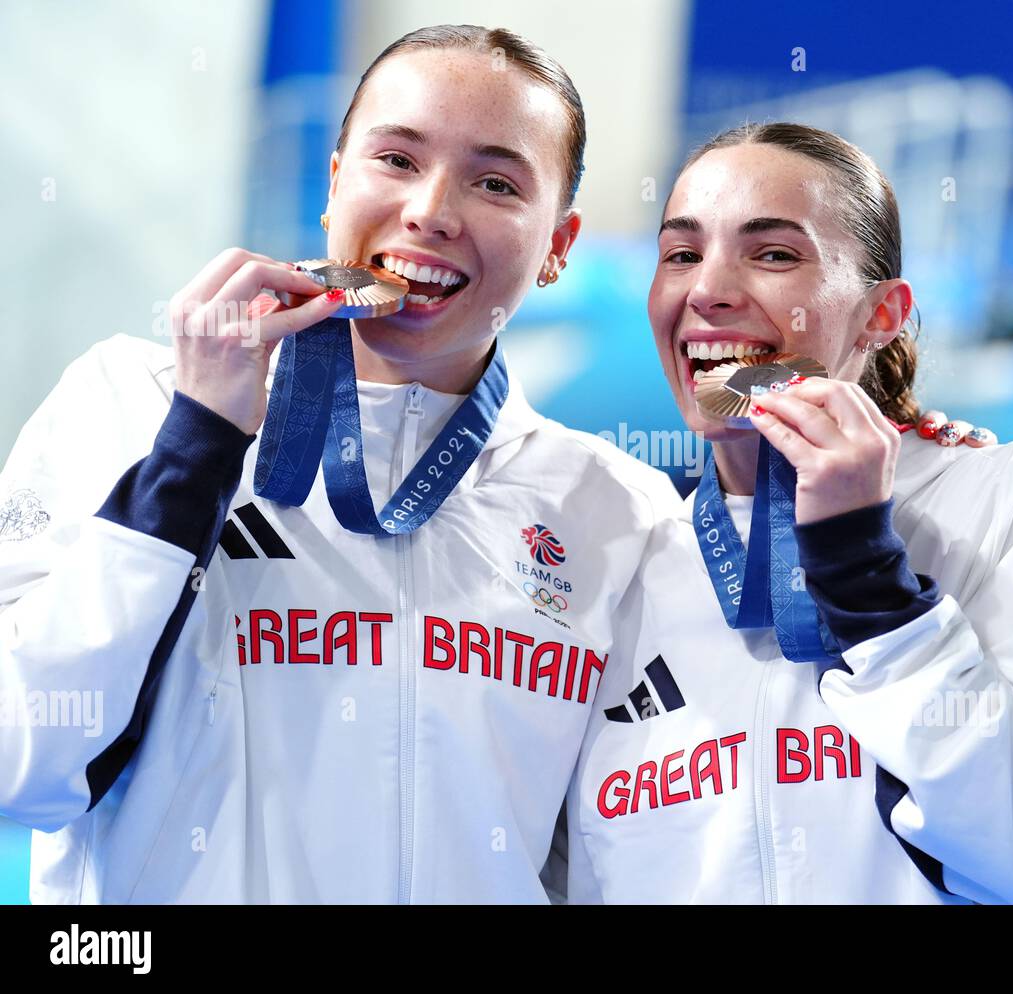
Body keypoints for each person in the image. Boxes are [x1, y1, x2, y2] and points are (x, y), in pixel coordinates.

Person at [0, 25, 682, 903]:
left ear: (559, 243)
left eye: (497, 182)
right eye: (396, 159)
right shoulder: (127, 400)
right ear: (333, 180)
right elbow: (23, 758)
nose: (432, 209)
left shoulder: (617, 510)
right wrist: (196, 443)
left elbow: (630, 859)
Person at [554, 123, 1013, 904]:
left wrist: (870, 581)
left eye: (774, 254)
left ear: (881, 314)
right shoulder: (623, 557)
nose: (708, 290)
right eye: (682, 254)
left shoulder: (1012, 497)